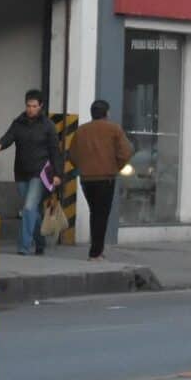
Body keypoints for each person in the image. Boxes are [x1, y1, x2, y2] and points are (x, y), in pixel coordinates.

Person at [0, 89, 64, 256]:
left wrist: (58, 174)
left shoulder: (48, 126)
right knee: (33, 211)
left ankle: (23, 246)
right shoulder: (18, 123)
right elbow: (8, 137)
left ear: (41, 106)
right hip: (22, 172)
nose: (31, 109)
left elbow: (55, 152)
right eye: (28, 106)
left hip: (40, 174)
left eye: (34, 106)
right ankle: (40, 243)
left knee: (29, 207)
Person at [67, 99, 133, 261]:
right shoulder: (114, 129)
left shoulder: (81, 131)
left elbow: (73, 155)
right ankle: (95, 253)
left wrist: (84, 167)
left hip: (86, 179)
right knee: (101, 215)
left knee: (94, 213)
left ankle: (96, 250)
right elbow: (126, 152)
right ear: (107, 113)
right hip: (106, 178)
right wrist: (115, 166)